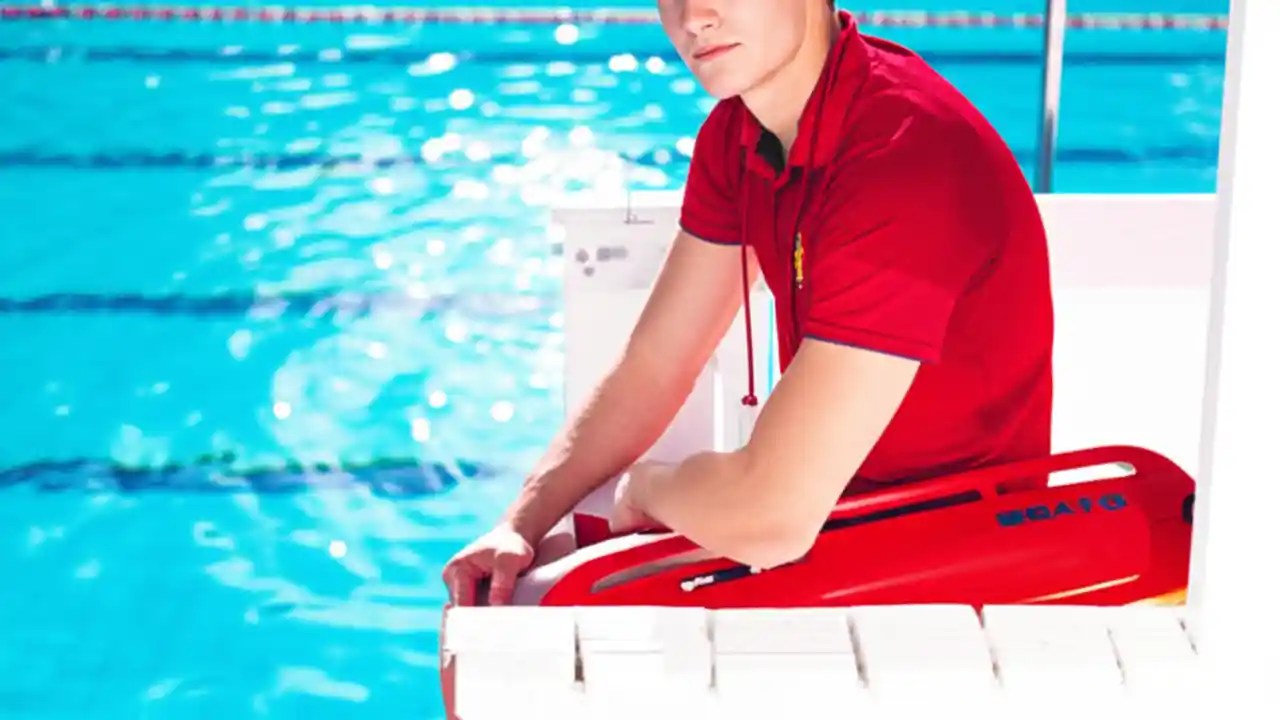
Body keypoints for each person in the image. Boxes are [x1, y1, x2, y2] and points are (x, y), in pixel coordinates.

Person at [441, 0, 1053, 609]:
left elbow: (771, 518)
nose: (694, 17)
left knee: (546, 622)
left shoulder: (906, 157)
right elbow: (657, 363)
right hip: (838, 523)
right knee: (503, 595)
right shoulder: (741, 134)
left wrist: (647, 489)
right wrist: (518, 525)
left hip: (955, 556)